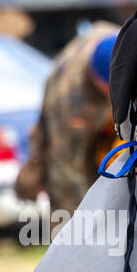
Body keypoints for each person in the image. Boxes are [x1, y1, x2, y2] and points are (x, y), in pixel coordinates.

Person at [14, 23, 119, 220]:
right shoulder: (68, 99)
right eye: (111, 89)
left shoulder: (124, 42)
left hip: (102, 135)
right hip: (66, 150)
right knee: (74, 223)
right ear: (97, 80)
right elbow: (66, 173)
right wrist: (87, 219)